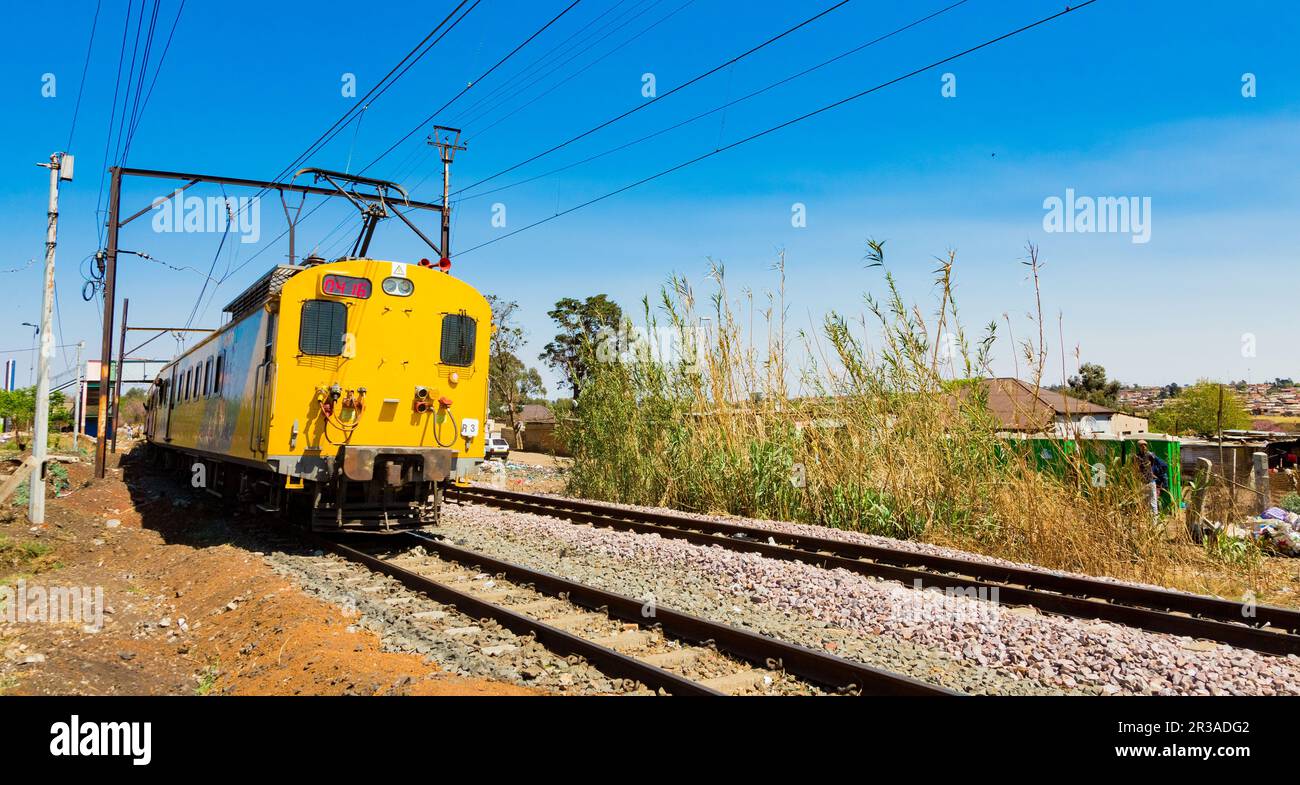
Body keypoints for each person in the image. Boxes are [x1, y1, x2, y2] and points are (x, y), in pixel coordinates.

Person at [1135, 439, 1167, 521]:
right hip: (1142, 482)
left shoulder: (1151, 455)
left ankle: (1154, 522)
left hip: (1150, 481)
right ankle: (1147, 520)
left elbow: (1163, 465)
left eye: (1144, 445)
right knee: (1144, 502)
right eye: (1141, 445)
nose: (1143, 447)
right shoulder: (1137, 456)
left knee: (1153, 502)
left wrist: (1156, 473)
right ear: (1139, 447)